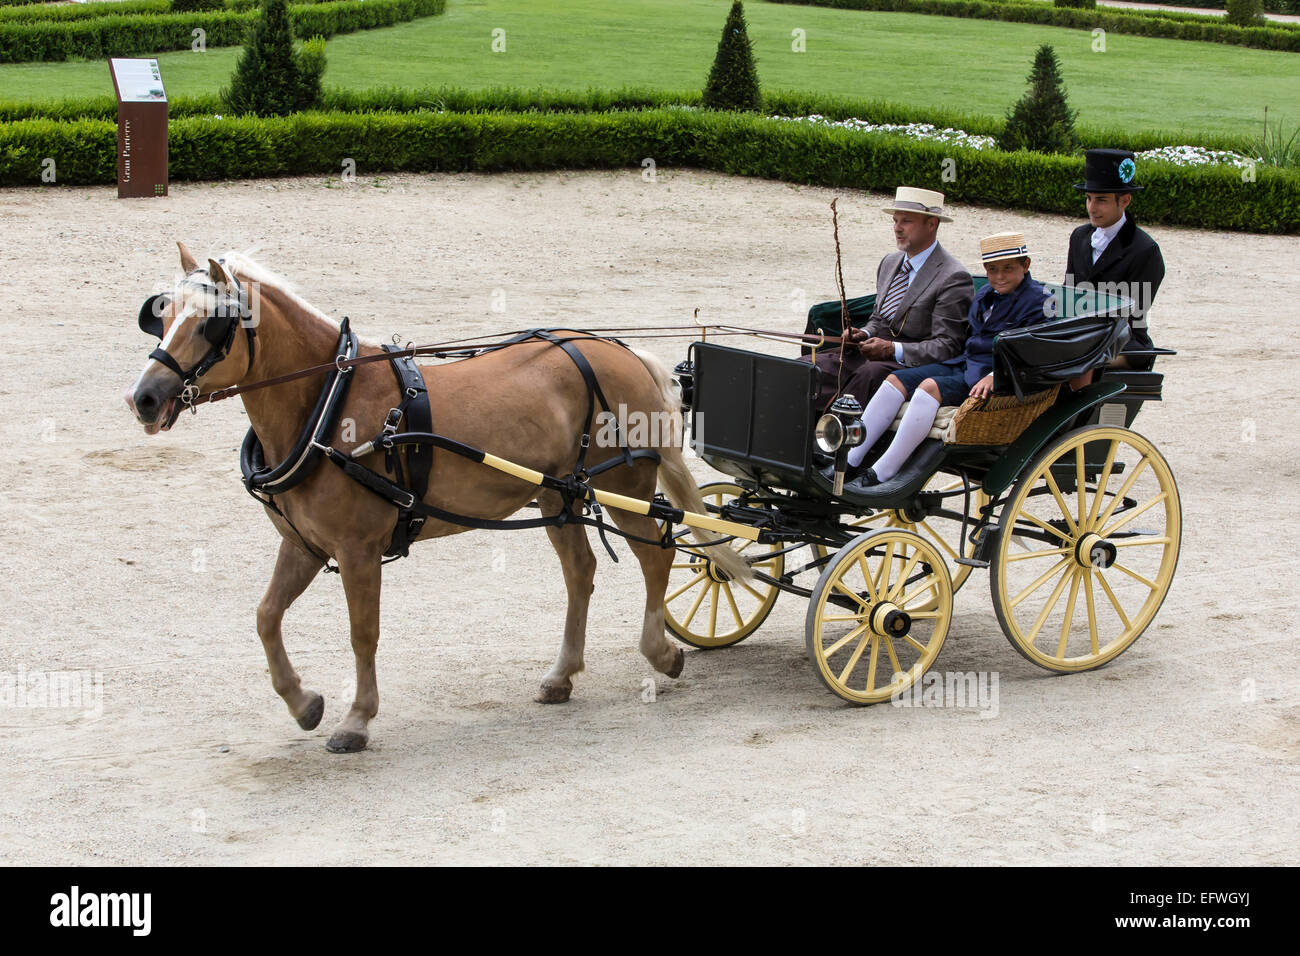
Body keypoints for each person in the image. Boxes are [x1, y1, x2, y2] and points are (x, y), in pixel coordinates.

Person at [830, 231, 1053, 488]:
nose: (999, 276)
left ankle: (885, 470)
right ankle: (851, 458)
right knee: (894, 381)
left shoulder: (1041, 301)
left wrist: (995, 376)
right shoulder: (984, 296)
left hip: (997, 376)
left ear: (1026, 265)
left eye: (1007, 269)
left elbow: (1033, 351)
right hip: (966, 363)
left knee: (928, 389)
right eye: (992, 270)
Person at [807, 186, 974, 412]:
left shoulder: (953, 277)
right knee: (806, 368)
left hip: (906, 362)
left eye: (906, 221)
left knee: (867, 376)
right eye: (895, 221)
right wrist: (864, 333)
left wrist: (892, 349)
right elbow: (878, 318)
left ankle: (835, 439)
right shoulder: (890, 262)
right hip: (869, 353)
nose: (897, 228)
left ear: (932, 224)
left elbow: (947, 346)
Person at [1065, 148, 1165, 370]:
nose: (1092, 208)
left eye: (1101, 200)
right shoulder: (1079, 236)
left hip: (1122, 340)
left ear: (1125, 200)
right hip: (1079, 334)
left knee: (1077, 364)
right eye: (1088, 199)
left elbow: (1132, 314)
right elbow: (1068, 293)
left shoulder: (1145, 251)